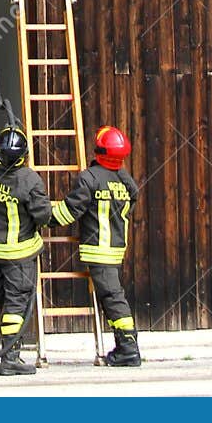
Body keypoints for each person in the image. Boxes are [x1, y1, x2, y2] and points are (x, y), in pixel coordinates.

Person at [52, 125, 141, 367]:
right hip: (115, 248)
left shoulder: (89, 178)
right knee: (111, 295)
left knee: (112, 297)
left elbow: (70, 211)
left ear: (99, 150)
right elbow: (133, 198)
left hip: (98, 251)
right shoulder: (124, 179)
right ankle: (125, 347)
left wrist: (44, 217)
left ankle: (129, 350)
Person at [0, 125, 51, 377]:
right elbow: (43, 216)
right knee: (16, 304)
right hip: (20, 255)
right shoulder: (29, 180)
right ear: (23, 157)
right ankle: (10, 359)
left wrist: (3, 132)